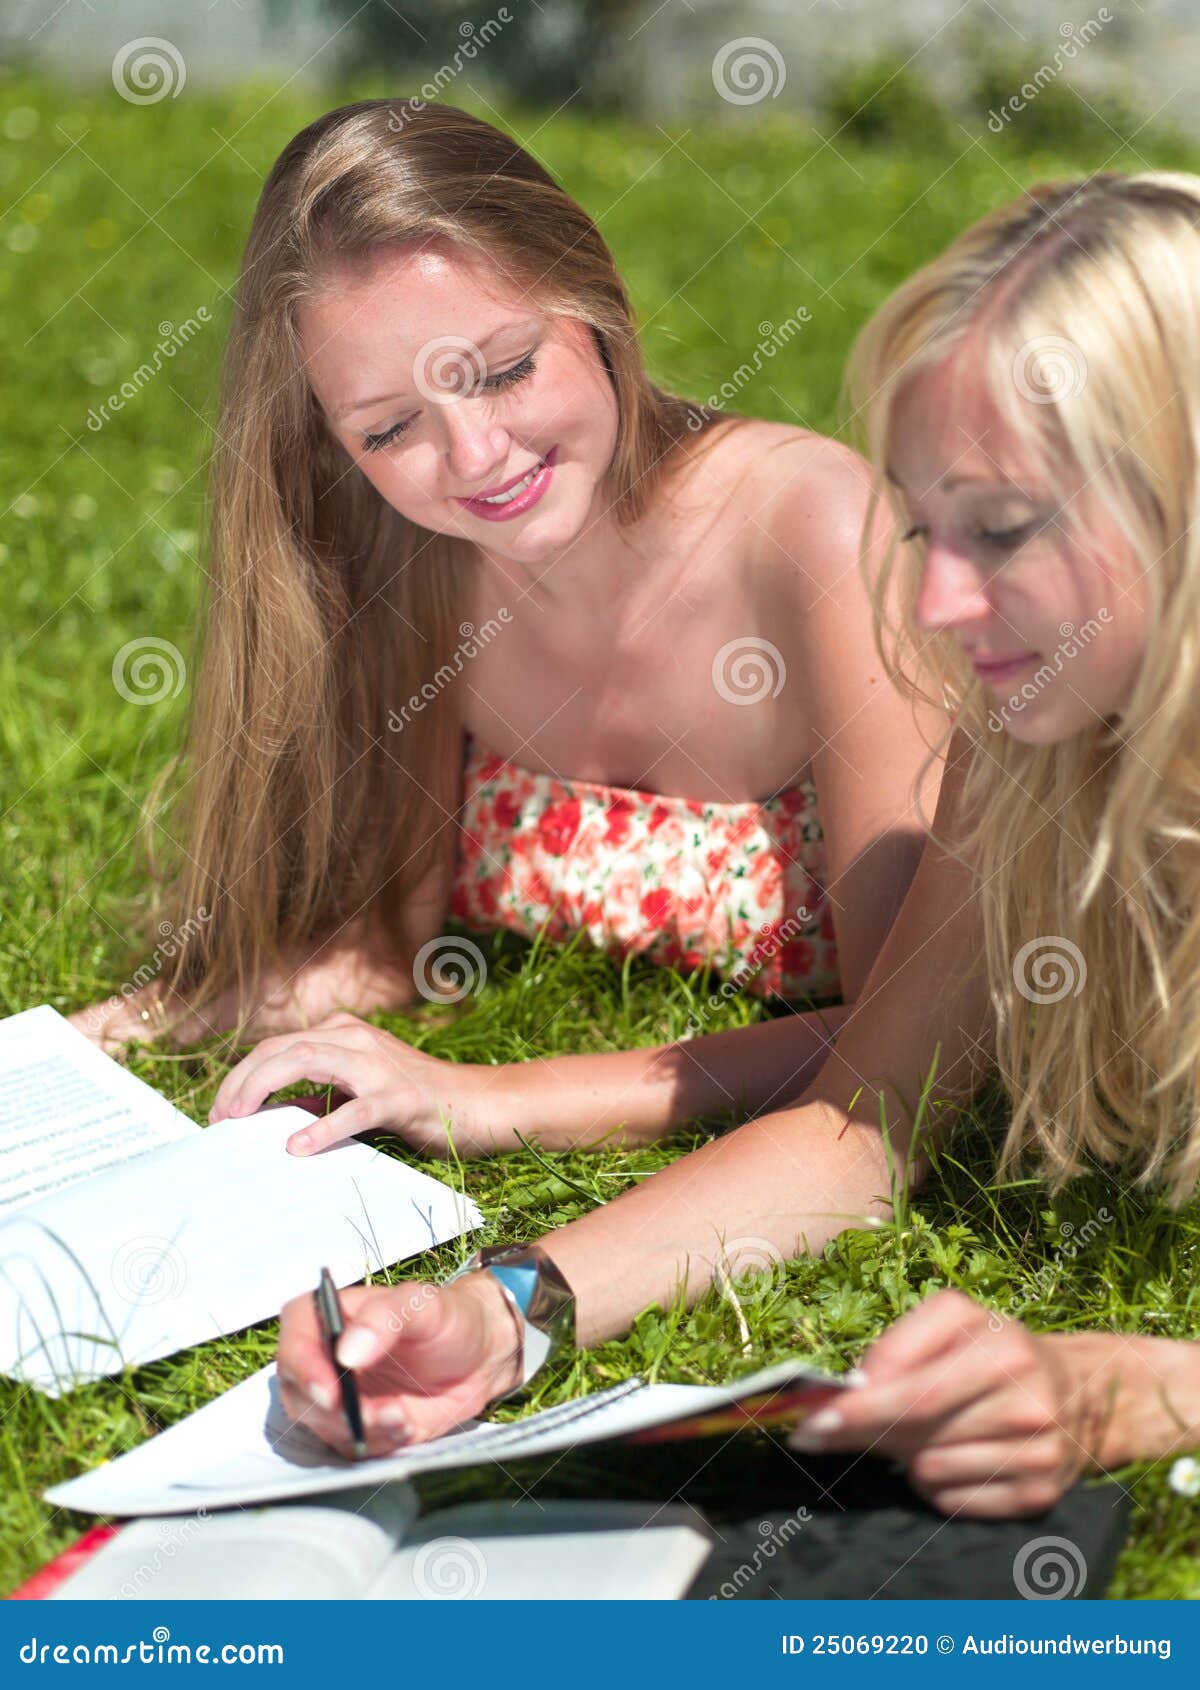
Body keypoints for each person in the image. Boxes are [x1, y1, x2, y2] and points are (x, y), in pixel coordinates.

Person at [268, 170, 1200, 1520]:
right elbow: (863, 1124)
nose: (934, 603)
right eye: (929, 529)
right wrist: (504, 1308)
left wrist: (1124, 1386)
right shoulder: (1033, 745)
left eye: (1002, 528)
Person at [70, 98, 945, 1163]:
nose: (477, 455)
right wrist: (115, 1030)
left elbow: (918, 1033)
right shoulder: (420, 560)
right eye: (391, 427)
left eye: (506, 368)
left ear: (596, 304)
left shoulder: (815, 527)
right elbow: (386, 953)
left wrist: (489, 1096)